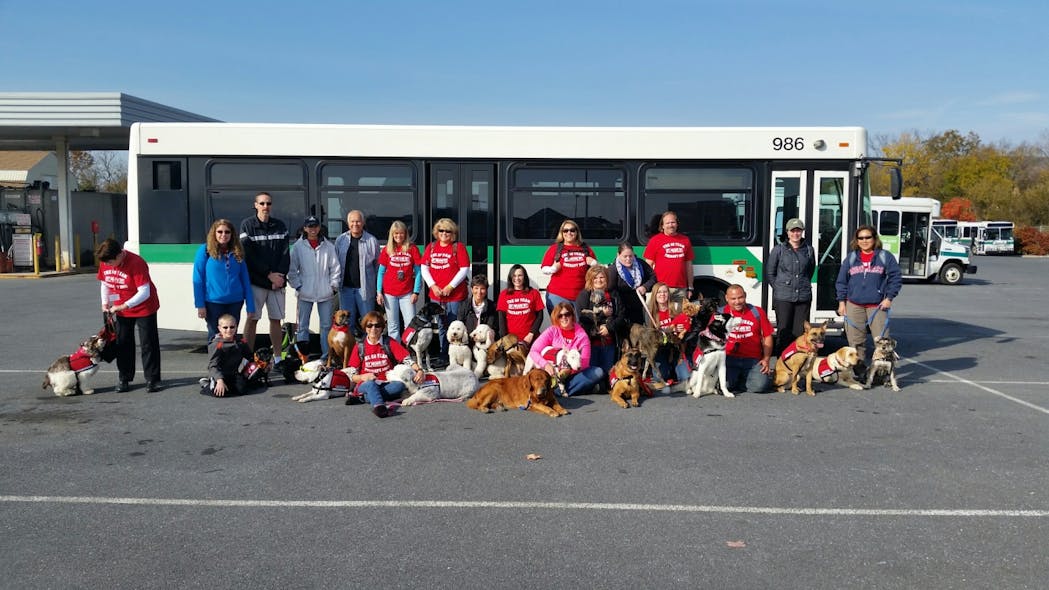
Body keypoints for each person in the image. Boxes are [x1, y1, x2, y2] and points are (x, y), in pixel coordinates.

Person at [835, 225, 902, 378]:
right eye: (861, 238)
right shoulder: (851, 258)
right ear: (856, 241)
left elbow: (896, 278)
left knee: (882, 342)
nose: (864, 241)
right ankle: (860, 371)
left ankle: (883, 374)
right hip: (854, 304)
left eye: (868, 237)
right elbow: (841, 281)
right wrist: (841, 302)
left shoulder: (885, 257)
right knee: (856, 342)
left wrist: (889, 297)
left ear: (874, 239)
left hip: (877, 305)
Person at [96, 238, 162, 392]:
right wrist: (105, 304)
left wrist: (123, 306)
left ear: (119, 255)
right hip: (121, 308)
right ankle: (124, 377)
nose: (109, 266)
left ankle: (152, 379)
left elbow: (144, 292)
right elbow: (104, 283)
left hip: (144, 307)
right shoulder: (105, 262)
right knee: (123, 342)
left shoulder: (136, 263)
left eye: (111, 262)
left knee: (148, 343)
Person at [345, 311, 424, 418]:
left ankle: (366, 398)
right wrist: (363, 377)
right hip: (365, 384)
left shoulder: (388, 342)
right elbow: (351, 375)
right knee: (371, 384)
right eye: (369, 325)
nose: (373, 329)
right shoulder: (360, 346)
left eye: (377, 325)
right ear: (365, 327)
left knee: (399, 386)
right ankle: (379, 407)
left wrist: (419, 370)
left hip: (386, 383)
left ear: (382, 328)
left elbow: (407, 360)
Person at [240, 192, 290, 353]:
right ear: (255, 205)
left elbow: (285, 253)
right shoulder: (247, 225)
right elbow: (248, 255)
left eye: (268, 203)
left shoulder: (280, 225)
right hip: (257, 282)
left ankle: (277, 358)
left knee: (276, 320)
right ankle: (247, 358)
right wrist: (269, 274)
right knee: (252, 319)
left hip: (277, 283)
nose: (265, 207)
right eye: (262, 203)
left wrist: (280, 277)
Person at [192, 219, 255, 346]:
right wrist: (200, 304)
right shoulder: (205, 251)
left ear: (232, 234)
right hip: (213, 303)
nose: (223, 235)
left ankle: (231, 365)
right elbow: (198, 278)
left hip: (235, 302)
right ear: (214, 233)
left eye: (227, 232)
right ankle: (215, 365)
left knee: (231, 337)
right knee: (215, 337)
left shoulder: (237, 251)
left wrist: (251, 306)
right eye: (219, 231)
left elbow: (245, 279)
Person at [287, 215, 342, 362]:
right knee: (302, 327)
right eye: (310, 227)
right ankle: (302, 358)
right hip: (305, 293)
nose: (313, 229)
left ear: (319, 228)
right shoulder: (298, 247)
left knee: (326, 326)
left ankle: (326, 357)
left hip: (326, 293)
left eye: (315, 226)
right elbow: (292, 270)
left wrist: (332, 287)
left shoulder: (328, 246)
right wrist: (298, 286)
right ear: (305, 228)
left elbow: (335, 269)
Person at [527, 302, 604, 397]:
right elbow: (533, 351)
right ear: (556, 318)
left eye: (567, 314)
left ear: (572, 316)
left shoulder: (582, 336)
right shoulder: (552, 330)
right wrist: (546, 365)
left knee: (597, 372)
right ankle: (567, 389)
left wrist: (567, 372)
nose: (564, 318)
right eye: (560, 315)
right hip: (550, 372)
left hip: (573, 373)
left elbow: (584, 363)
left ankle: (557, 392)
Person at [421, 218, 470, 360]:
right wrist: (433, 286)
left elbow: (464, 268)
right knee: (442, 325)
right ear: (436, 232)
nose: (444, 233)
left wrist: (451, 286)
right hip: (437, 295)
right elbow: (424, 268)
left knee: (455, 325)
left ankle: (457, 356)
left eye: (448, 231)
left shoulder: (458, 247)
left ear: (453, 233)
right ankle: (444, 354)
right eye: (441, 230)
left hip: (455, 295)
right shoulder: (431, 247)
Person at [766, 218, 816, 356]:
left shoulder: (809, 250)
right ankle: (781, 362)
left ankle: (796, 360)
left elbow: (810, 271)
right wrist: (779, 287)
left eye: (798, 230)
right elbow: (770, 273)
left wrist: (803, 285)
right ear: (787, 233)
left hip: (803, 296)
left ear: (802, 232)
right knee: (784, 330)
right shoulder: (778, 250)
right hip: (783, 297)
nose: (795, 233)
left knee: (799, 332)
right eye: (792, 231)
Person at [574, 265, 627, 382]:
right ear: (590, 280)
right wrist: (602, 316)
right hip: (591, 343)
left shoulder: (614, 295)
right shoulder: (584, 295)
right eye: (595, 278)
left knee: (607, 376)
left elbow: (621, 316)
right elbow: (582, 318)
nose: (599, 280)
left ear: (606, 279)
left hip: (610, 342)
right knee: (594, 375)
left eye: (602, 277)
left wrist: (609, 327)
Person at [335, 210, 380, 338]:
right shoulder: (340, 240)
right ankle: (351, 355)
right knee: (347, 325)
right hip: (345, 290)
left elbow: (378, 267)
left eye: (358, 221)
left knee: (369, 323)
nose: (355, 224)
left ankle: (370, 354)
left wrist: (378, 290)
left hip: (366, 289)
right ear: (348, 223)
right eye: (352, 221)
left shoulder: (372, 241)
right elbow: (335, 264)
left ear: (363, 222)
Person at [723, 284, 774, 394]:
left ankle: (743, 380)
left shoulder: (757, 312)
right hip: (728, 359)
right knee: (724, 386)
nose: (737, 302)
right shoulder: (720, 314)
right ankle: (740, 380)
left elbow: (767, 336)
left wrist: (766, 359)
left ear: (745, 296)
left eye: (740, 297)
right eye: (733, 299)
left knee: (760, 387)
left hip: (753, 359)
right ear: (726, 298)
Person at [376, 220, 422, 341]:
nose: (398, 236)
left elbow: (418, 272)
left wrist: (416, 292)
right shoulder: (387, 249)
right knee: (393, 326)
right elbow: (381, 272)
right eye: (396, 233)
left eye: (401, 233)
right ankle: (395, 353)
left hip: (407, 293)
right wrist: (379, 292)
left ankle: (409, 352)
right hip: (389, 293)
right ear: (392, 235)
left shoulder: (413, 249)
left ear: (405, 234)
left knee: (411, 325)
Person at [540, 219, 599, 313]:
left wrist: (594, 264)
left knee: (580, 326)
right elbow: (544, 268)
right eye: (565, 230)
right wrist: (553, 269)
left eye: (572, 230)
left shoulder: (586, 248)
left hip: (581, 296)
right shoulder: (555, 248)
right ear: (562, 233)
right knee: (561, 325)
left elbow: (597, 272)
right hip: (557, 295)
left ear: (577, 232)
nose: (569, 233)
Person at [201, 314, 260, 397]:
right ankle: (207, 383)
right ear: (219, 328)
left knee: (241, 390)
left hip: (234, 373)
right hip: (220, 374)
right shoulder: (217, 344)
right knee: (218, 393)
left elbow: (250, 356)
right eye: (225, 327)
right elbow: (213, 365)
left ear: (236, 327)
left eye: (232, 327)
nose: (229, 330)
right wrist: (219, 380)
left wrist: (261, 363)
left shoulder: (240, 342)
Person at [646, 282, 691, 387]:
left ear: (668, 294)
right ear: (654, 295)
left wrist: (683, 327)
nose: (662, 294)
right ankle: (670, 370)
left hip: (676, 349)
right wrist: (669, 329)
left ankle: (675, 369)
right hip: (661, 350)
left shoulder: (676, 307)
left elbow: (687, 325)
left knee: (685, 376)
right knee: (660, 377)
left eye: (665, 292)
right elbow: (650, 335)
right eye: (659, 292)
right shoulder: (650, 312)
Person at [644, 211, 694, 303]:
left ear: (677, 224)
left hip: (680, 289)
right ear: (662, 226)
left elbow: (689, 265)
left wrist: (690, 287)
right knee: (659, 316)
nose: (671, 225)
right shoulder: (654, 241)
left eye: (673, 222)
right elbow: (648, 266)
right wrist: (649, 287)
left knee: (679, 317)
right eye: (667, 223)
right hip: (660, 289)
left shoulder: (685, 240)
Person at [607, 242, 656, 330]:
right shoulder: (613, 270)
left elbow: (653, 277)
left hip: (638, 307)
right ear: (618, 255)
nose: (628, 259)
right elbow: (610, 290)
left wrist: (645, 287)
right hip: (621, 310)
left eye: (631, 256)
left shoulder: (640, 263)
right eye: (625, 256)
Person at [497, 264, 545, 349]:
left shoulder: (534, 293)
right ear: (510, 277)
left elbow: (540, 316)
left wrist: (531, 334)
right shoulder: (504, 294)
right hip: (511, 341)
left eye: (520, 275)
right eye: (514, 275)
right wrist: (505, 339)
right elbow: (501, 319)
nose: (517, 278)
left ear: (524, 277)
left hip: (530, 340)